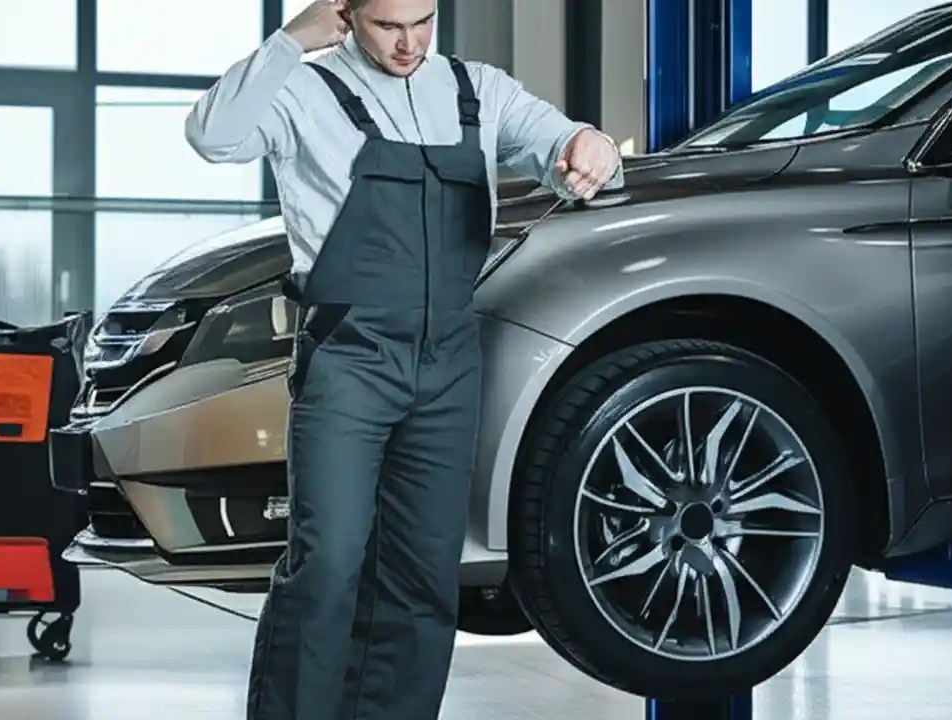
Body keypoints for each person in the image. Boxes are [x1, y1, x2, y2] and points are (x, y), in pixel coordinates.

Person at [184, 1, 623, 718]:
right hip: (349, 356)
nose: (409, 43)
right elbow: (211, 134)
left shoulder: (476, 88)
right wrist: (291, 42)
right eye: (389, 25)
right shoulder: (304, 90)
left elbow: (559, 138)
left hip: (449, 359)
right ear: (346, 13)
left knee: (422, 576)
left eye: (423, 21)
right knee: (326, 566)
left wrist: (588, 143)